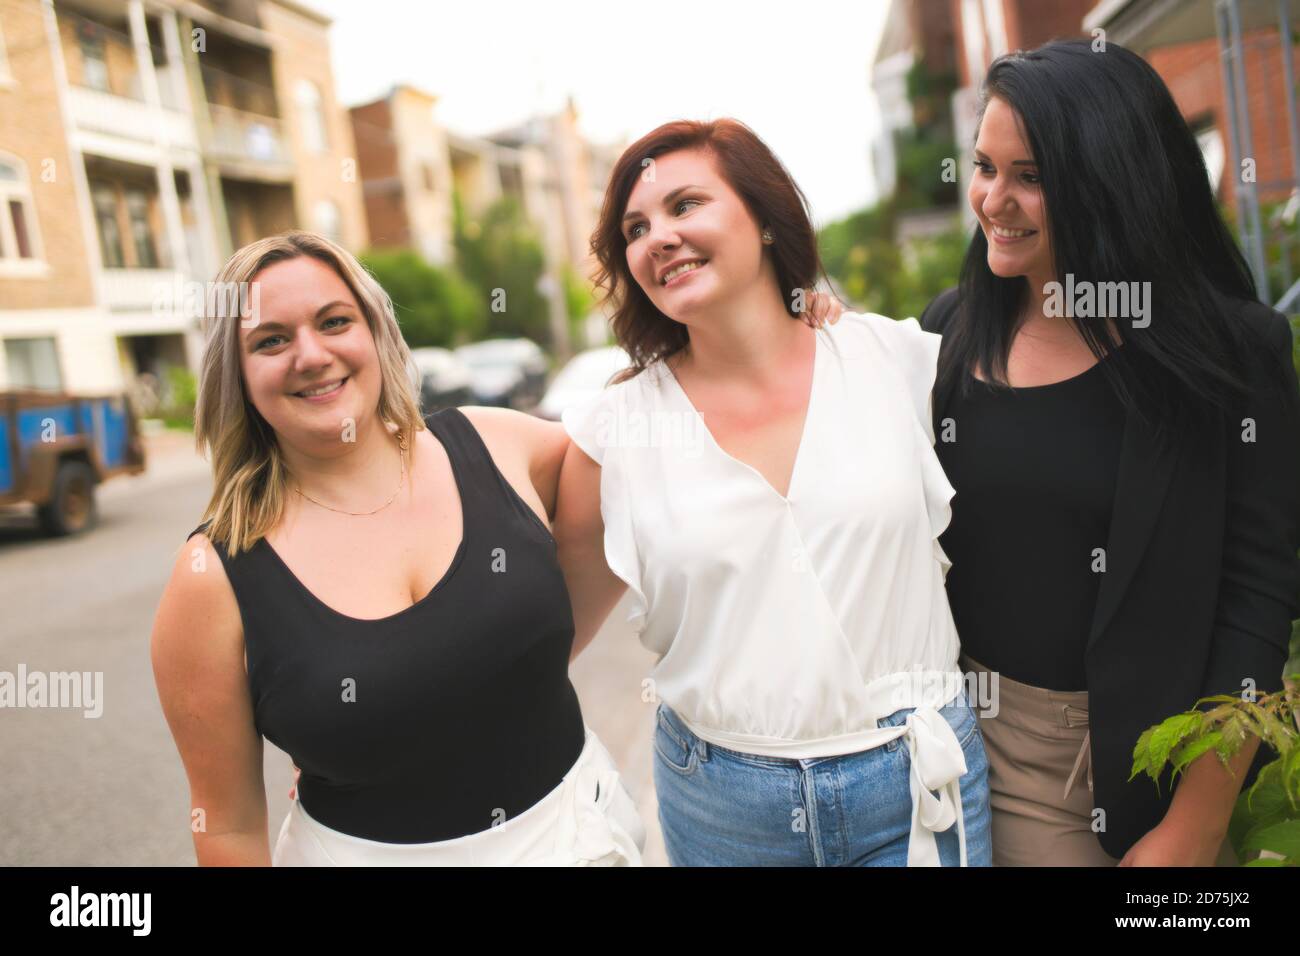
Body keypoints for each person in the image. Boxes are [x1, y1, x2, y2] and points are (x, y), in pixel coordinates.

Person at [554, 118, 993, 866]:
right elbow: (544, 634)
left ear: (762, 218)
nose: (657, 236)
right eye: (636, 226)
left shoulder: (896, 361)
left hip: (916, 779)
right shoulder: (616, 431)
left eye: (685, 205)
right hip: (724, 809)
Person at [917, 40, 1300, 865]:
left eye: (1032, 176)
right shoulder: (945, 336)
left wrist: (1195, 827)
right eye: (985, 167)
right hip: (962, 739)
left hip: (1141, 759)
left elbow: (1257, 596)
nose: (994, 199)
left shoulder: (1232, 355)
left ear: (1110, 182)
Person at [150, 231, 647, 866]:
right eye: (271, 339)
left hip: (577, 839)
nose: (311, 354)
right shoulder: (212, 575)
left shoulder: (498, 446)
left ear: (377, 333)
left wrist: (800, 319)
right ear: (238, 375)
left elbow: (641, 429)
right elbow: (224, 825)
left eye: (335, 321)